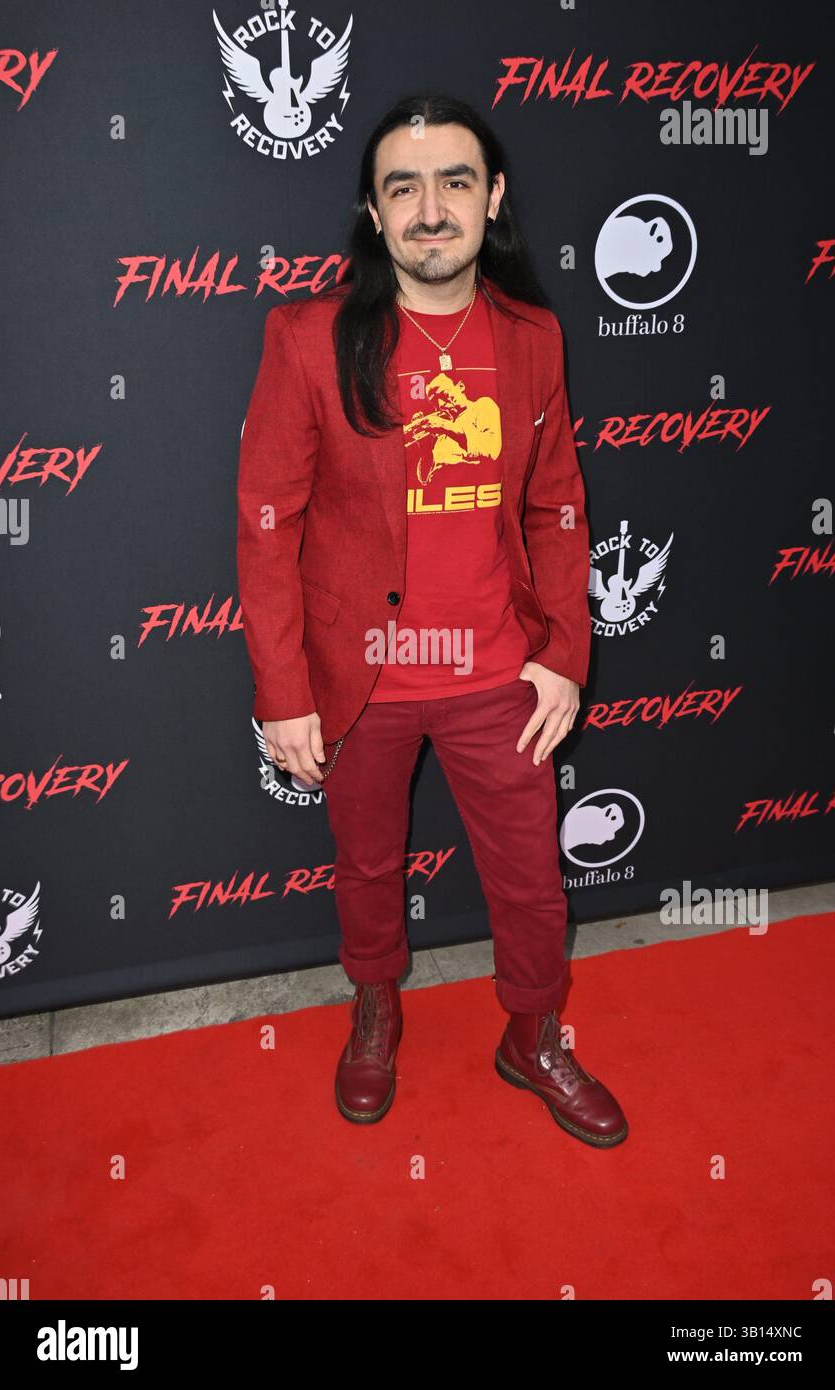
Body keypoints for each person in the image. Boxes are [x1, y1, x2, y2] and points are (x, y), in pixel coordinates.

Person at [236, 91, 627, 1147]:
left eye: (454, 181)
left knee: (533, 885)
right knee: (366, 866)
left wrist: (563, 655)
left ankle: (533, 1037)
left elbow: (555, 504)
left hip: (500, 674)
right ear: (372, 209)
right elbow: (267, 526)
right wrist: (282, 693)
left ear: (491, 197)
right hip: (359, 677)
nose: (429, 207)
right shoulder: (309, 337)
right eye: (402, 186)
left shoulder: (533, 336)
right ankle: (374, 1007)